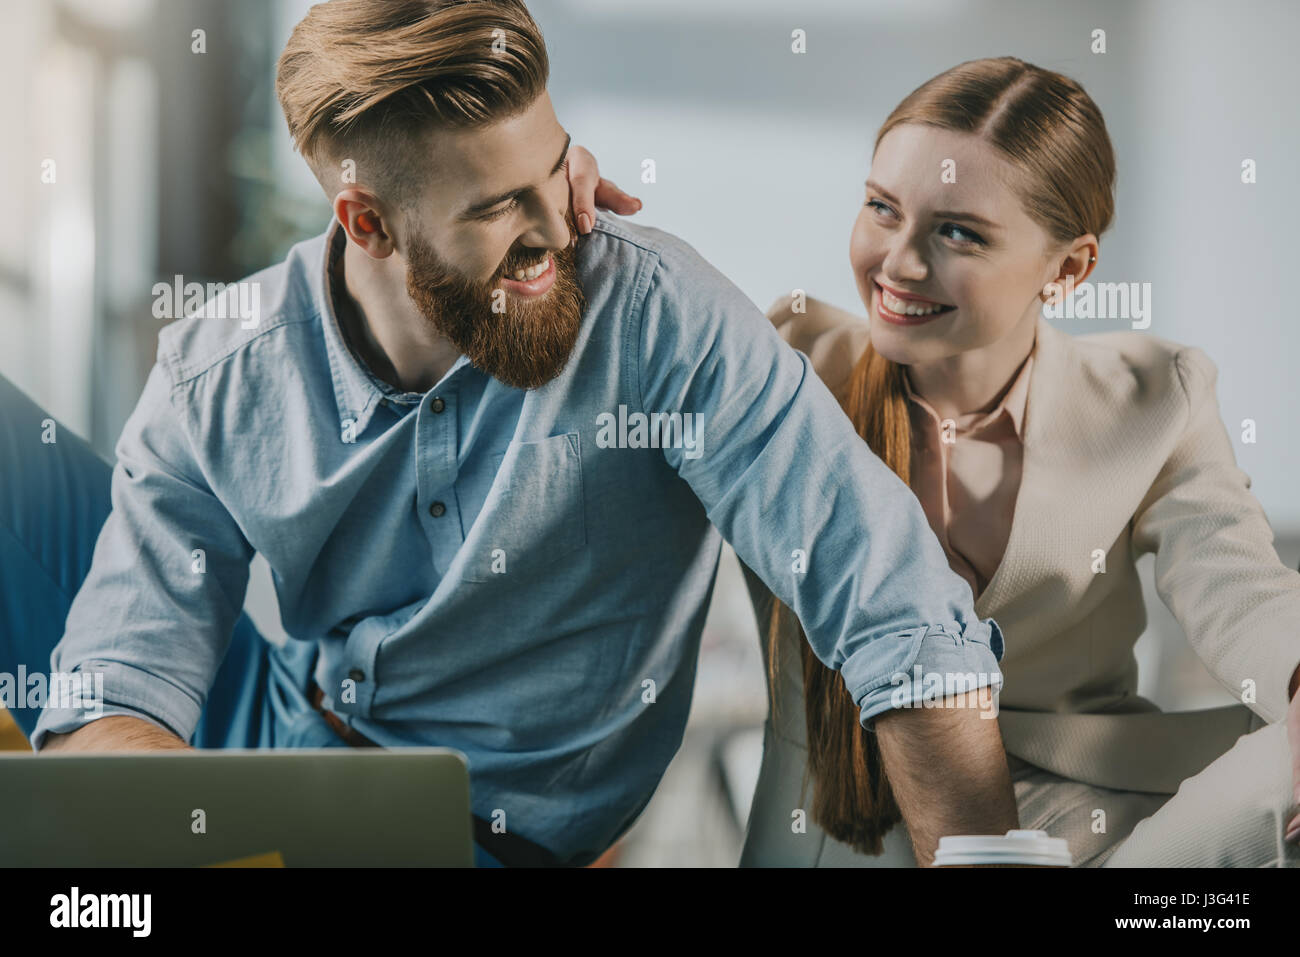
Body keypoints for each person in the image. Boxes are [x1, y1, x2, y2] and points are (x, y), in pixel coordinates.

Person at [0, 1, 1018, 868]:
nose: (564, 226)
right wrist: (218, 829)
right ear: (367, 222)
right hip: (276, 740)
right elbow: (108, 702)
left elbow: (895, 608)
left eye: (557, 168)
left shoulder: (657, 317)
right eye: (498, 206)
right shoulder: (217, 371)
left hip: (480, 836)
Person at [570, 55, 1300, 866]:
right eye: (882, 208)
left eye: (959, 232)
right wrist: (552, 213)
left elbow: (1241, 589)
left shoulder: (1152, 395)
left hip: (1096, 825)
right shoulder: (791, 359)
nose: (900, 262)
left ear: (1068, 269)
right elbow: (599, 396)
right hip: (844, 828)